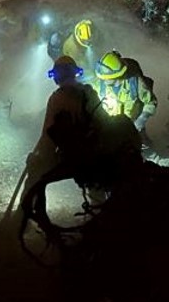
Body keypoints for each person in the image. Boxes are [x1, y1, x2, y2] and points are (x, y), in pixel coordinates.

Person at [19, 55, 141, 233]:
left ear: (56, 76)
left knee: (35, 176)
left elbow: (48, 137)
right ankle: (101, 227)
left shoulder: (57, 98)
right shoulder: (89, 92)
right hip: (98, 153)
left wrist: (37, 159)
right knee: (97, 191)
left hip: (75, 157)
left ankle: (18, 221)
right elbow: (103, 121)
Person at [93, 50, 158, 134]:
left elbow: (151, 102)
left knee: (141, 144)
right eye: (102, 78)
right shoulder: (101, 83)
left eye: (107, 78)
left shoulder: (135, 82)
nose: (103, 81)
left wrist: (141, 121)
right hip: (111, 127)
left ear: (117, 76)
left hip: (133, 124)